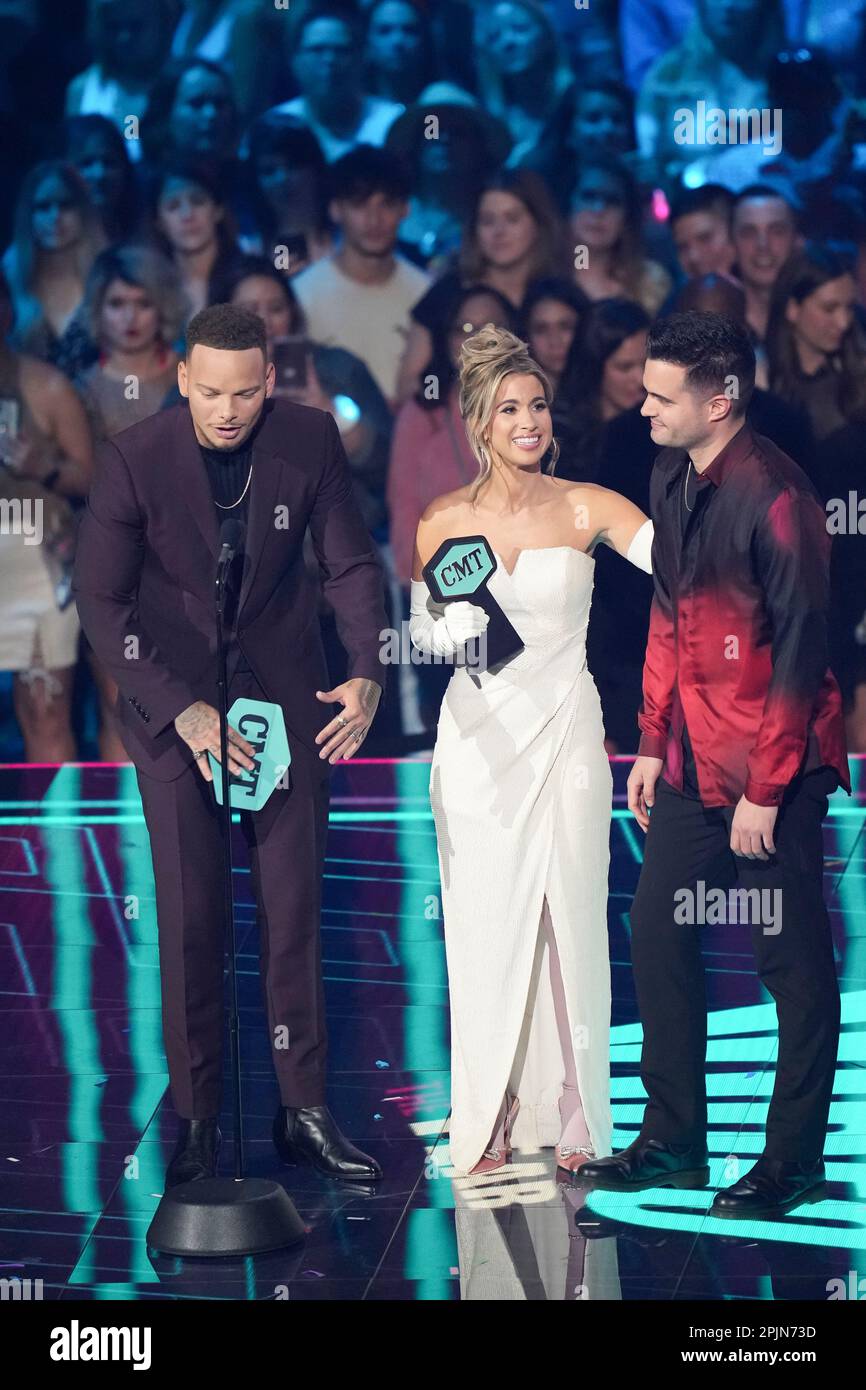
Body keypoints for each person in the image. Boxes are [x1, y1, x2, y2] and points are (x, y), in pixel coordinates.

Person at [71, 303, 389, 1187]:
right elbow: (103, 605)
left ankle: (306, 1110)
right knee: (191, 923)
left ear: (268, 382)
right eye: (209, 390)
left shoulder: (311, 440)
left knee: (294, 917)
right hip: (176, 718)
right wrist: (178, 709)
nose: (226, 409)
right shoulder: (137, 457)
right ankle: (201, 1120)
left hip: (284, 708)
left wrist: (365, 667)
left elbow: (353, 565)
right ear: (182, 378)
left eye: (244, 393)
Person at [578, 311, 852, 1218]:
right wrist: (652, 742)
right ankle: (672, 1143)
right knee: (657, 934)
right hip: (694, 756)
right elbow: (669, 615)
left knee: (791, 965)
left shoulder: (778, 498)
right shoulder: (669, 471)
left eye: (662, 396)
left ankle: (793, 1162)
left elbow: (803, 655)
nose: (644, 407)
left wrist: (767, 791)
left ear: (721, 400)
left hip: (775, 771)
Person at [409, 323, 653, 1177]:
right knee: (484, 926)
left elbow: (680, 562)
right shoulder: (442, 520)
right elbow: (424, 638)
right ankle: (495, 1105)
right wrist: (451, 631)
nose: (529, 420)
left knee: (574, 913)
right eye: (510, 407)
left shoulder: (589, 505)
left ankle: (582, 1103)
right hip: (478, 746)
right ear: (478, 422)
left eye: (539, 405)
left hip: (569, 729)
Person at [0, 270, 93, 761]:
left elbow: (93, 481)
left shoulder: (47, 387)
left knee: (44, 712)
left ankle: (52, 836)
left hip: (35, 559)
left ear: (7, 311)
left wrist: (43, 467)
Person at [290, 145, 431, 410]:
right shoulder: (302, 295)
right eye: (359, 204)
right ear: (335, 209)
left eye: (387, 204)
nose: (374, 219)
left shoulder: (426, 293)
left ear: (405, 209)